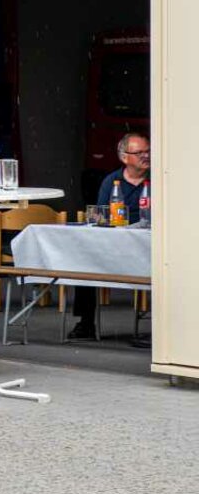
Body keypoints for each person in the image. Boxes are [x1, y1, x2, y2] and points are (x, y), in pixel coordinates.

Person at [71, 133, 151, 341]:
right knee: (85, 261)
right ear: (124, 157)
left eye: (148, 151)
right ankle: (85, 322)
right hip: (116, 245)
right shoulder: (111, 182)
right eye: (140, 152)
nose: (146, 156)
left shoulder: (158, 179)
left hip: (148, 245)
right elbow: (102, 213)